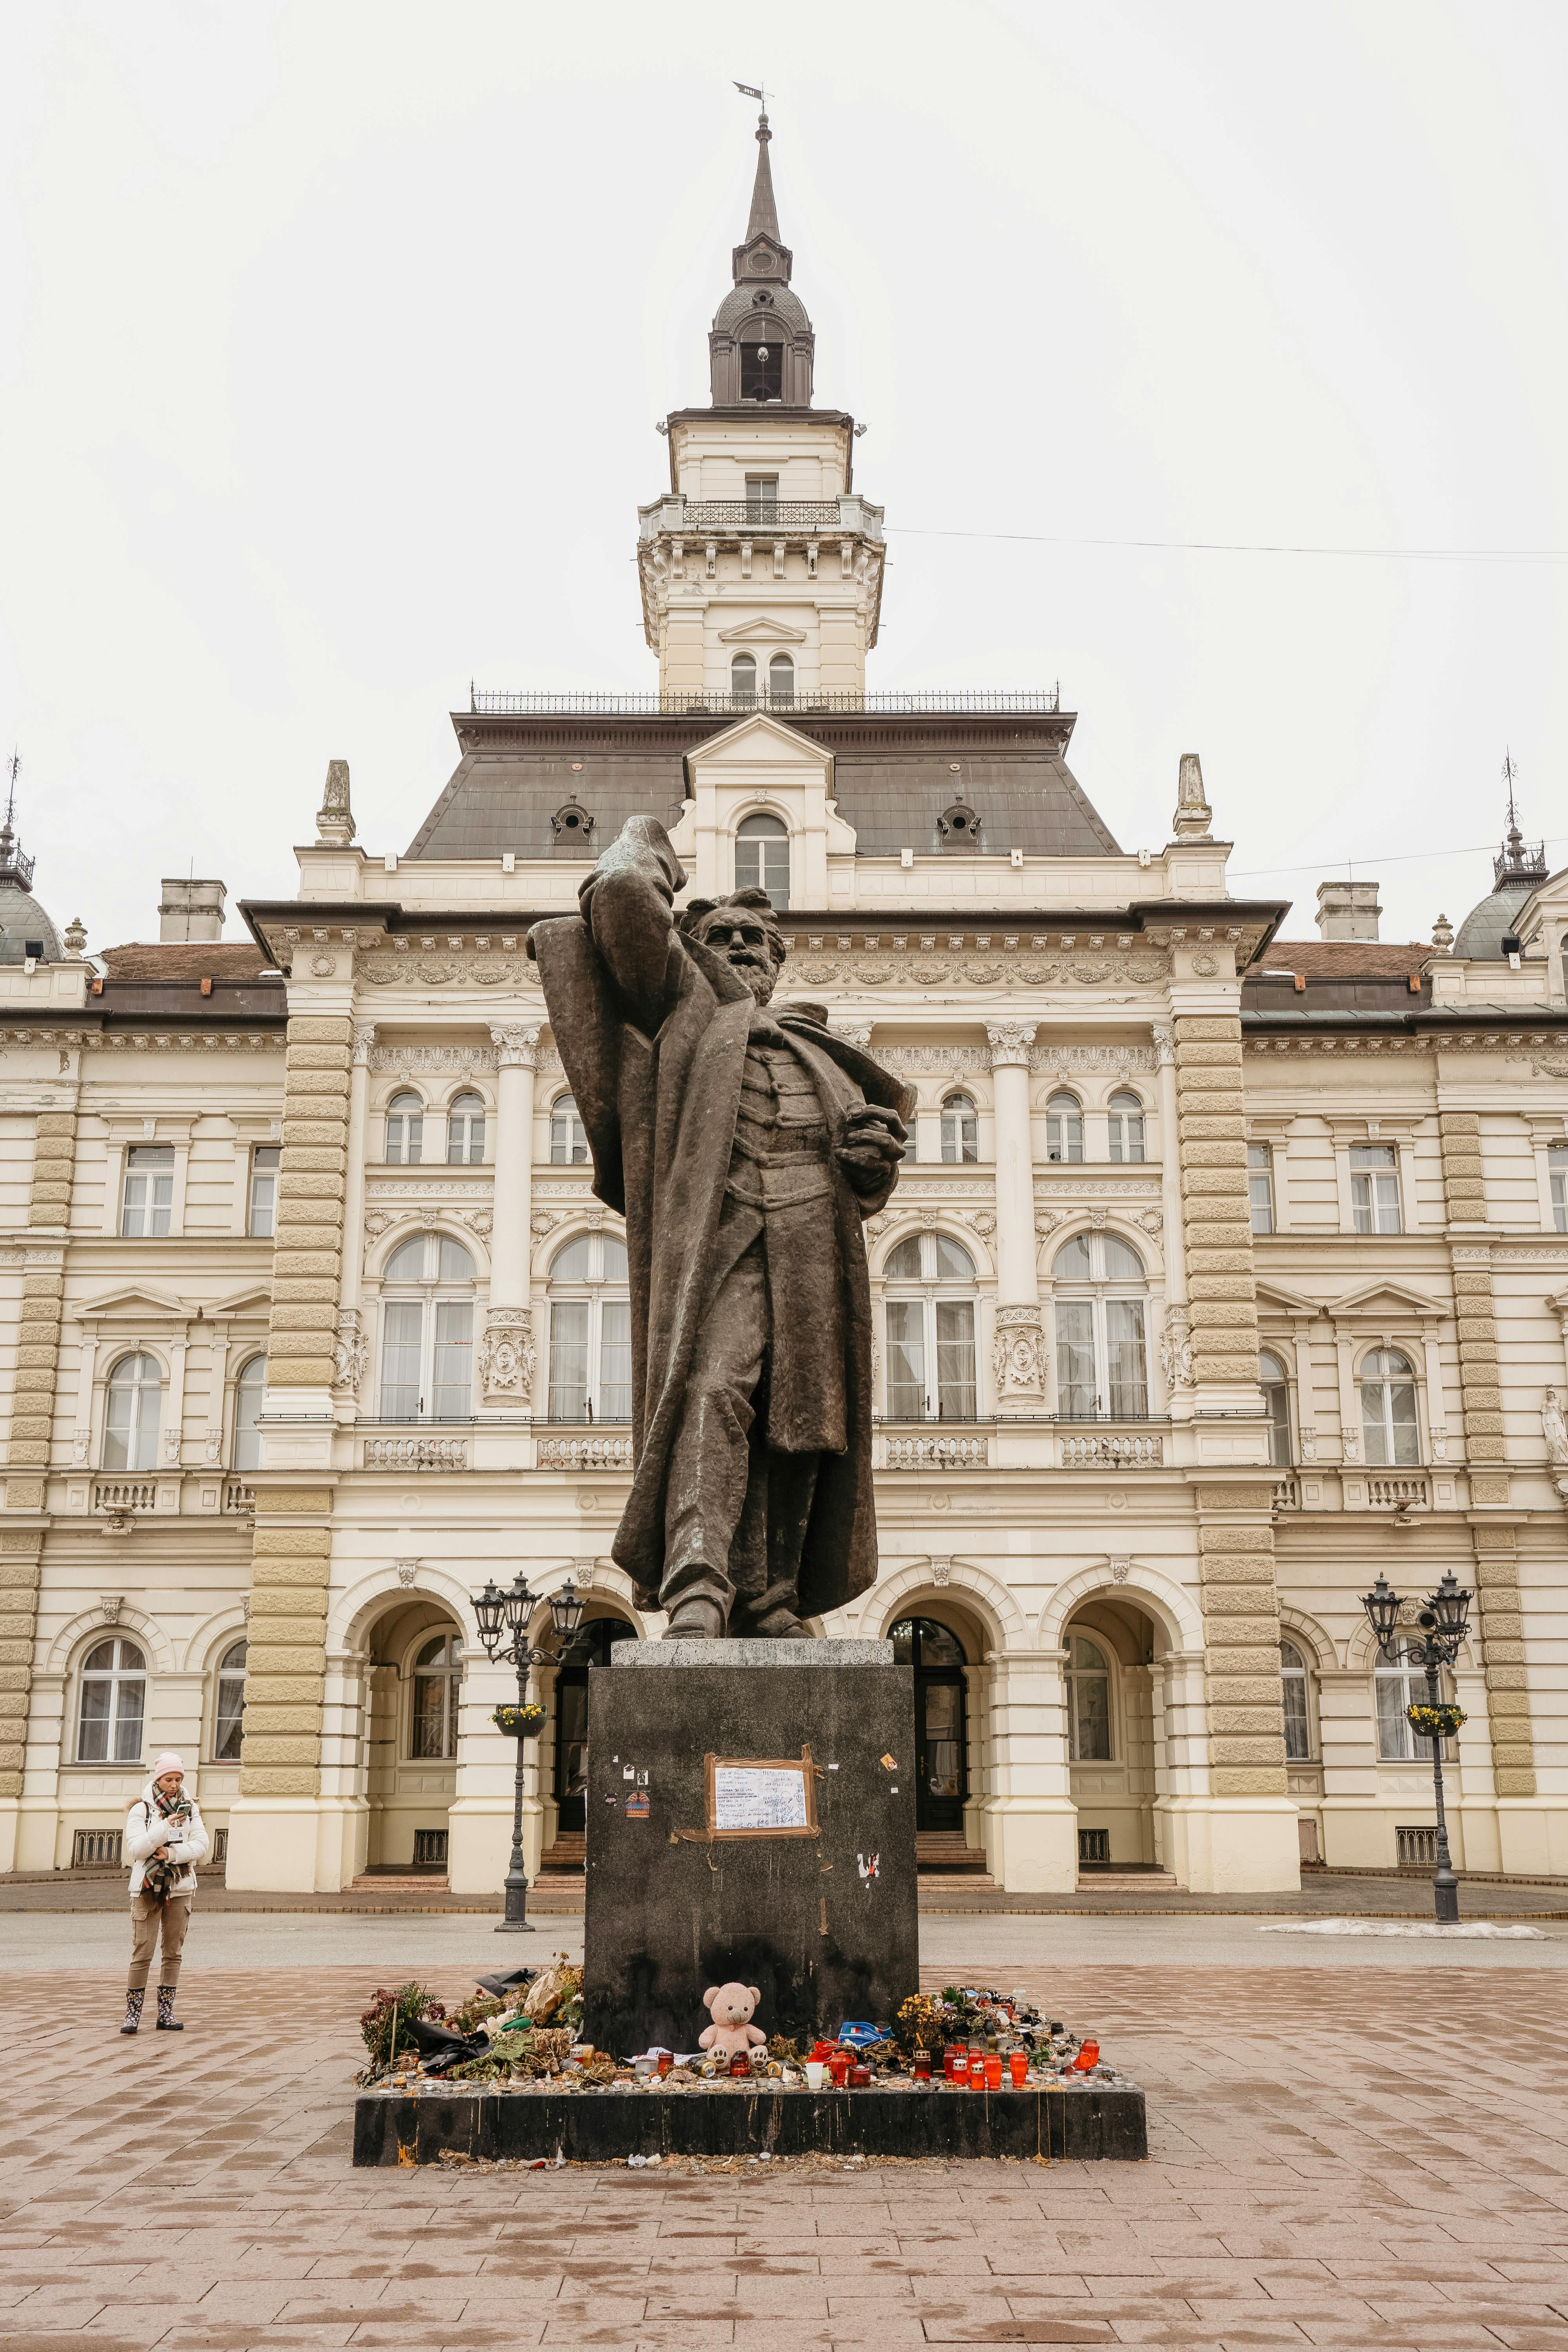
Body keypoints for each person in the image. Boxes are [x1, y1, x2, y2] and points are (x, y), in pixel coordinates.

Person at [530, 815, 911, 1638]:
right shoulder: (685, 1012)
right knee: (711, 1391)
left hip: (812, 1234)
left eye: (756, 941)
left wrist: (872, 1162)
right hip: (722, 1225)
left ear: (777, 963)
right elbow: (625, 895)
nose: (741, 947)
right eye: (723, 935)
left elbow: (867, 1176)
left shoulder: (825, 1056)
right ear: (694, 947)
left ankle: (770, 1597)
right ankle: (697, 1582)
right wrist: (647, 835)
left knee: (801, 1421)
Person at [122, 1752, 209, 2034]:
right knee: (142, 1952)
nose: (174, 1784)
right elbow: (136, 1850)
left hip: (181, 1887)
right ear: (158, 1779)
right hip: (147, 1888)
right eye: (169, 1779)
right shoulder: (142, 1810)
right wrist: (165, 1826)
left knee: (173, 1952)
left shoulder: (190, 1809)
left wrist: (171, 1853)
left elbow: (201, 1845)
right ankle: (132, 2015)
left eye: (179, 1779)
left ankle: (166, 2013)